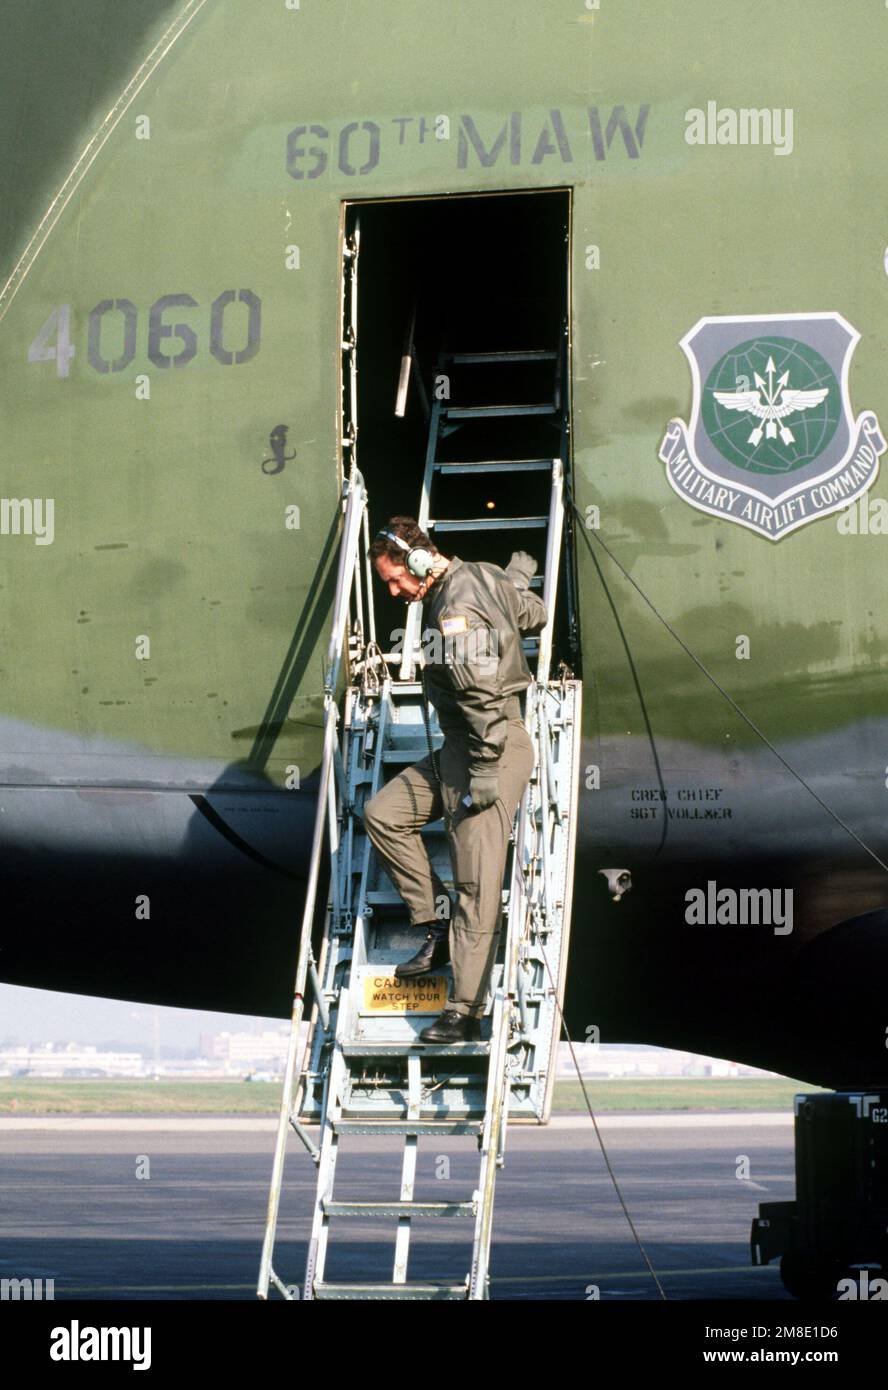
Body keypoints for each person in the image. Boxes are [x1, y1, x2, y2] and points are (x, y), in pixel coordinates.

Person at [362, 516, 548, 1043]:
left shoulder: (455, 608)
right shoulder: (483, 577)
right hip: (461, 746)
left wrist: (487, 767)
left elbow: (480, 694)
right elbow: (533, 614)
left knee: (475, 883)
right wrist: (514, 584)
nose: (395, 592)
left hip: (490, 745)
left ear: (419, 561)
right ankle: (434, 919)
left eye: (396, 579)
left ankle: (465, 1012)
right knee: (385, 814)